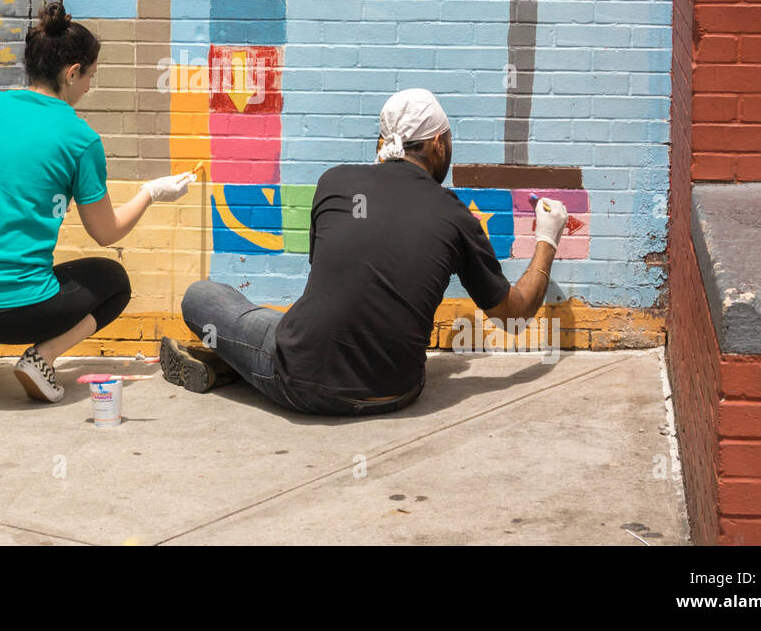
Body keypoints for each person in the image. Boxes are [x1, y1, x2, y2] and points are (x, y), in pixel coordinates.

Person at [162, 88, 569, 416]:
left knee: (204, 296)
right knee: (275, 327)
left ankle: (231, 362)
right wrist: (547, 240)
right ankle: (227, 364)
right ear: (439, 145)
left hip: (301, 383)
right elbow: (515, 316)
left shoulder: (335, 183)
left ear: (381, 143)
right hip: (396, 393)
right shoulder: (457, 216)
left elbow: (331, 278)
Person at [0, 1, 196, 403]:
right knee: (114, 282)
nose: (88, 88)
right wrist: (150, 192)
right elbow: (106, 233)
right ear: (72, 72)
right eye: (90, 77)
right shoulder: (79, 138)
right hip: (15, 314)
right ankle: (41, 358)